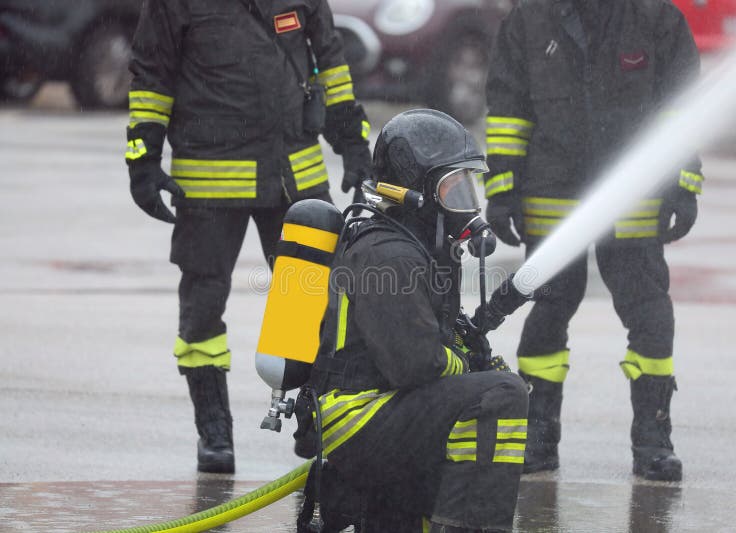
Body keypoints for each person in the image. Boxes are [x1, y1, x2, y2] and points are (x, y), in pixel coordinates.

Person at [124, 0, 373, 473]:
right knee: (202, 309)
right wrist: (144, 158)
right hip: (208, 179)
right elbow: (152, 72)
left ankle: (312, 412)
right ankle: (214, 429)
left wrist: (353, 142)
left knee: (315, 301)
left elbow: (330, 62)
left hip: (293, 175)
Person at [483, 0, 704, 481]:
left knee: (649, 312)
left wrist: (684, 182)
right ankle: (539, 436)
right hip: (552, 193)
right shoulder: (529, 20)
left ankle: (653, 438)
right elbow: (508, 110)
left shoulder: (654, 17)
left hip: (633, 194)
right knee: (550, 308)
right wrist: (501, 188)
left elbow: (682, 107)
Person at [295, 109, 529, 532]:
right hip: (359, 421)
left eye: (468, 187)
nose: (467, 204)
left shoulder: (415, 248)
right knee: (501, 395)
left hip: (380, 412)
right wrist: (464, 363)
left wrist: (464, 356)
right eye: (454, 189)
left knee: (485, 393)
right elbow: (416, 364)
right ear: (419, 193)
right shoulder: (390, 254)